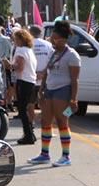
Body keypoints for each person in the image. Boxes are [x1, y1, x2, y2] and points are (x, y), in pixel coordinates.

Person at [29, 20, 80, 167]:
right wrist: (41, 88)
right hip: (49, 91)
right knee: (46, 122)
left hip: (63, 91)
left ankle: (66, 156)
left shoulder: (72, 55)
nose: (51, 38)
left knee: (62, 122)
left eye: (54, 36)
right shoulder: (53, 52)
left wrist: (73, 99)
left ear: (61, 38)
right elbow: (47, 71)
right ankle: (44, 154)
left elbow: (75, 79)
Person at [10, 28, 38, 144]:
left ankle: (28, 135)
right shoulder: (29, 50)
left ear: (21, 40)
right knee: (26, 108)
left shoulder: (20, 50)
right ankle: (30, 133)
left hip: (23, 81)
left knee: (22, 109)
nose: (14, 41)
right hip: (31, 81)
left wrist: (9, 65)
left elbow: (19, 67)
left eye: (16, 39)